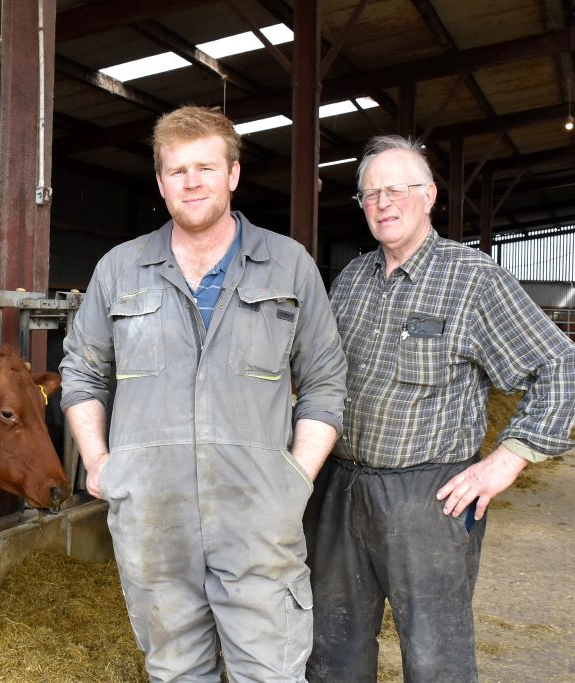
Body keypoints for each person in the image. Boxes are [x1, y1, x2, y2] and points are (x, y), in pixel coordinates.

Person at [59, 105, 347, 682]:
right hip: (153, 522)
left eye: (206, 167)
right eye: (178, 170)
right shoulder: (121, 268)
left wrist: (296, 477)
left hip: (258, 521)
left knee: (269, 672)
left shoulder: (287, 264)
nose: (192, 182)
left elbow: (324, 379)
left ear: (233, 175)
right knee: (174, 672)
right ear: (161, 183)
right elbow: (82, 373)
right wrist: (98, 463)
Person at [305, 135, 575, 682]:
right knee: (331, 647)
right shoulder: (349, 283)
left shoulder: (474, 279)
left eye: (397, 189)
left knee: (436, 657)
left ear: (429, 195)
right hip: (339, 488)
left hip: (429, 496)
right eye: (369, 193)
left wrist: (507, 460)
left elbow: (561, 367)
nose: (383, 202)